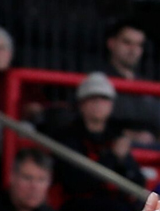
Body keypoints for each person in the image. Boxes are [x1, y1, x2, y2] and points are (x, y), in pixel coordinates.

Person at [44, 73, 144, 211]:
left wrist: (123, 160)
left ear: (111, 105)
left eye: (104, 99)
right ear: (81, 104)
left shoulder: (115, 137)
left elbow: (138, 184)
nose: (98, 104)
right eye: (92, 98)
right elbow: (75, 183)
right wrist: (113, 157)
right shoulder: (67, 136)